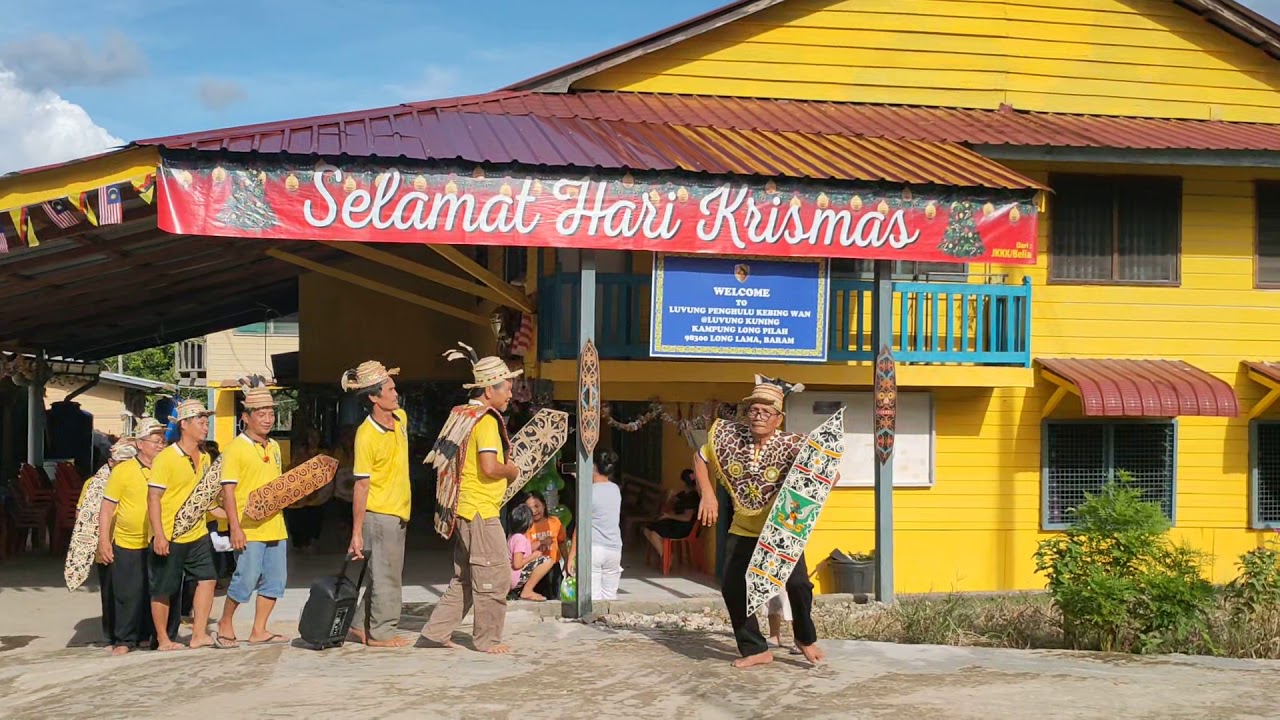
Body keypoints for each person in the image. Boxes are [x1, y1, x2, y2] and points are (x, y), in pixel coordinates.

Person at [693, 375, 824, 669]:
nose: (758, 416)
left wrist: (802, 503)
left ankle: (804, 637)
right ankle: (755, 648)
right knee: (733, 587)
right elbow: (700, 457)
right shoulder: (729, 439)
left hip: (782, 529)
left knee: (799, 584)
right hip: (744, 527)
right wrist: (708, 495)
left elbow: (825, 474)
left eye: (766, 412)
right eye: (753, 410)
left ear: (779, 418)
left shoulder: (794, 444)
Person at [420, 343, 521, 653]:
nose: (510, 395)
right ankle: (487, 639)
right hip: (480, 511)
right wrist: (512, 470)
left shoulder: (463, 414)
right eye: (506, 389)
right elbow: (489, 467)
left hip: (462, 508)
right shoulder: (487, 420)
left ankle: (435, 634)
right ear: (489, 389)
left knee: (465, 577)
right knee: (494, 576)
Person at [214, 377, 290, 648]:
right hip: (248, 527)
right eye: (261, 414)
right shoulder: (235, 449)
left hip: (275, 525)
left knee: (276, 579)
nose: (268, 419)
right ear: (246, 417)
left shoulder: (274, 447)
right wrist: (235, 527)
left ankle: (259, 629)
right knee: (245, 578)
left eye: (271, 413)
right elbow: (228, 491)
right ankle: (225, 623)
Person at [342, 360, 413, 648]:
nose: (396, 393)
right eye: (389, 389)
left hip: (399, 511)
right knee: (387, 578)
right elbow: (361, 485)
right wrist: (357, 531)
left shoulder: (401, 419)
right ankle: (381, 633)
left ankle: (359, 626)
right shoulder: (366, 435)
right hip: (380, 514)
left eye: (394, 387)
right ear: (373, 397)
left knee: (381, 575)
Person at [147, 399, 218, 651]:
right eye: (200, 421)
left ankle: (198, 634)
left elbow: (205, 499)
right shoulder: (166, 458)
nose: (205, 426)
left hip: (197, 532)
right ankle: (163, 639)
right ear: (184, 425)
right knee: (164, 587)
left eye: (206, 421)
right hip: (170, 532)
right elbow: (153, 497)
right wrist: (159, 534)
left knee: (208, 579)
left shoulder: (206, 458)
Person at [86, 435, 139, 654]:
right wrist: (100, 542)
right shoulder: (94, 485)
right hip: (107, 544)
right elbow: (84, 515)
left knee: (133, 591)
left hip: (131, 542)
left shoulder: (140, 476)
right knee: (110, 592)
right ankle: (112, 636)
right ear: (110, 462)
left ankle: (134, 634)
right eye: (120, 461)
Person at [589, 447, 623, 601]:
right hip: (614, 548)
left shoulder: (588, 491)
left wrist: (572, 554)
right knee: (610, 598)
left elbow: (581, 525)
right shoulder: (615, 489)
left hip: (594, 548)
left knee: (594, 599)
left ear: (593, 467)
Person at [641, 469, 701, 557]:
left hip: (685, 527)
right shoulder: (683, 494)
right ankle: (665, 555)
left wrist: (669, 516)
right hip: (675, 523)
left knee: (654, 533)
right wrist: (670, 496)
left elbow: (687, 518)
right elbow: (666, 508)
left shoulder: (693, 497)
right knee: (647, 529)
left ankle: (666, 557)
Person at [524, 493, 568, 598]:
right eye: (530, 508)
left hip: (553, 567)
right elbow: (524, 549)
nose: (534, 511)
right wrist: (541, 542)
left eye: (537, 506)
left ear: (544, 505)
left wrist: (566, 561)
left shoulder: (554, 522)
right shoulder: (526, 527)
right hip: (535, 569)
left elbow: (561, 542)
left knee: (554, 596)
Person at [506, 504, 553, 601]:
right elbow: (517, 564)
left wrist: (541, 542)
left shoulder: (513, 536)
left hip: (509, 576)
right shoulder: (520, 539)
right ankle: (527, 591)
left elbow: (525, 550)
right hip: (515, 576)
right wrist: (533, 556)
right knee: (548, 561)